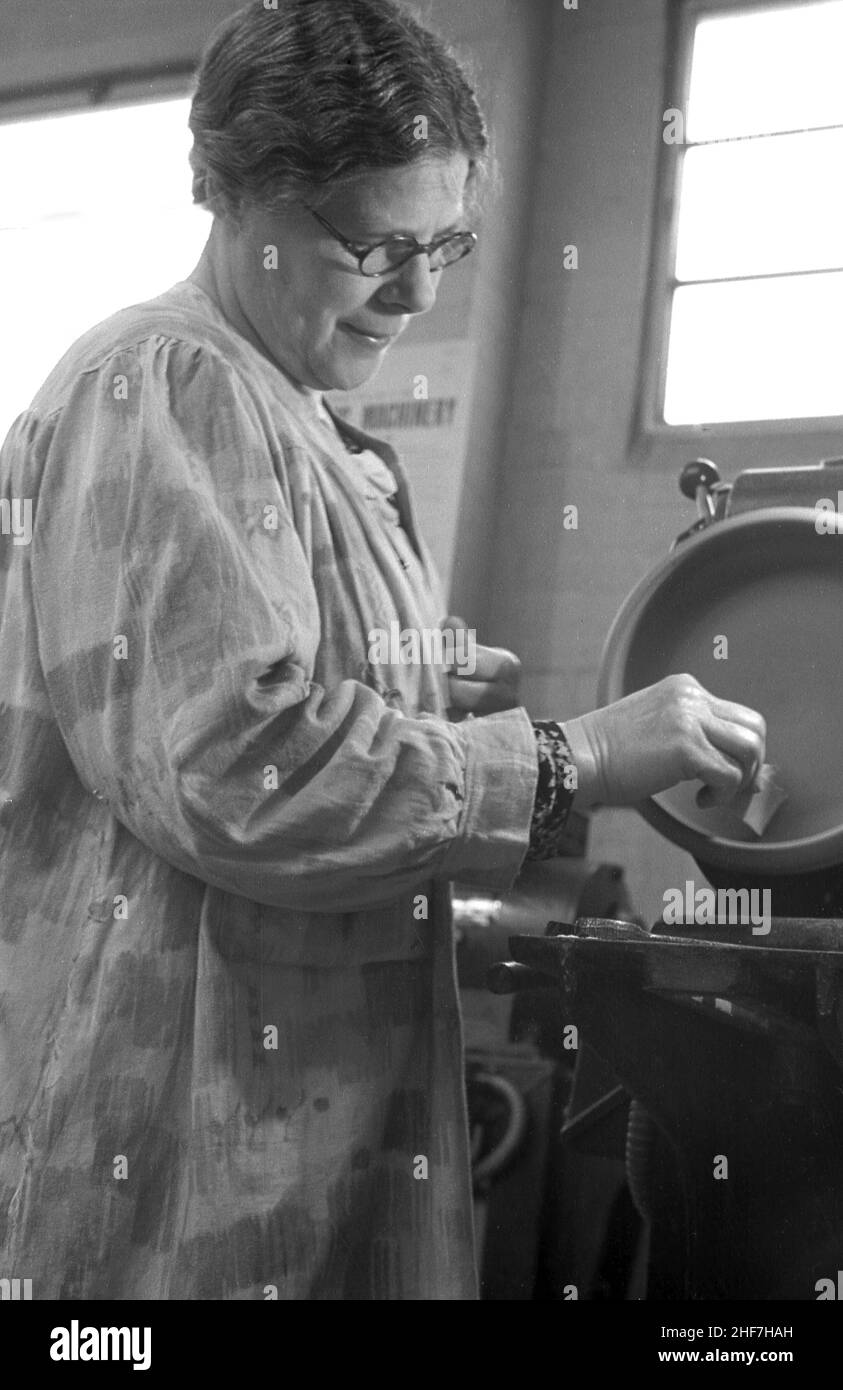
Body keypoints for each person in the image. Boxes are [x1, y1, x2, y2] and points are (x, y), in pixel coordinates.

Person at [0, 0, 765, 1300]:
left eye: (446, 242)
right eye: (377, 245)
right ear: (242, 199)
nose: (420, 290)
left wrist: (420, 684)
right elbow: (242, 766)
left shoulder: (300, 420)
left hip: (290, 1121)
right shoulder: (168, 386)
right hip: (180, 1138)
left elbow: (259, 698)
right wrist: (572, 757)